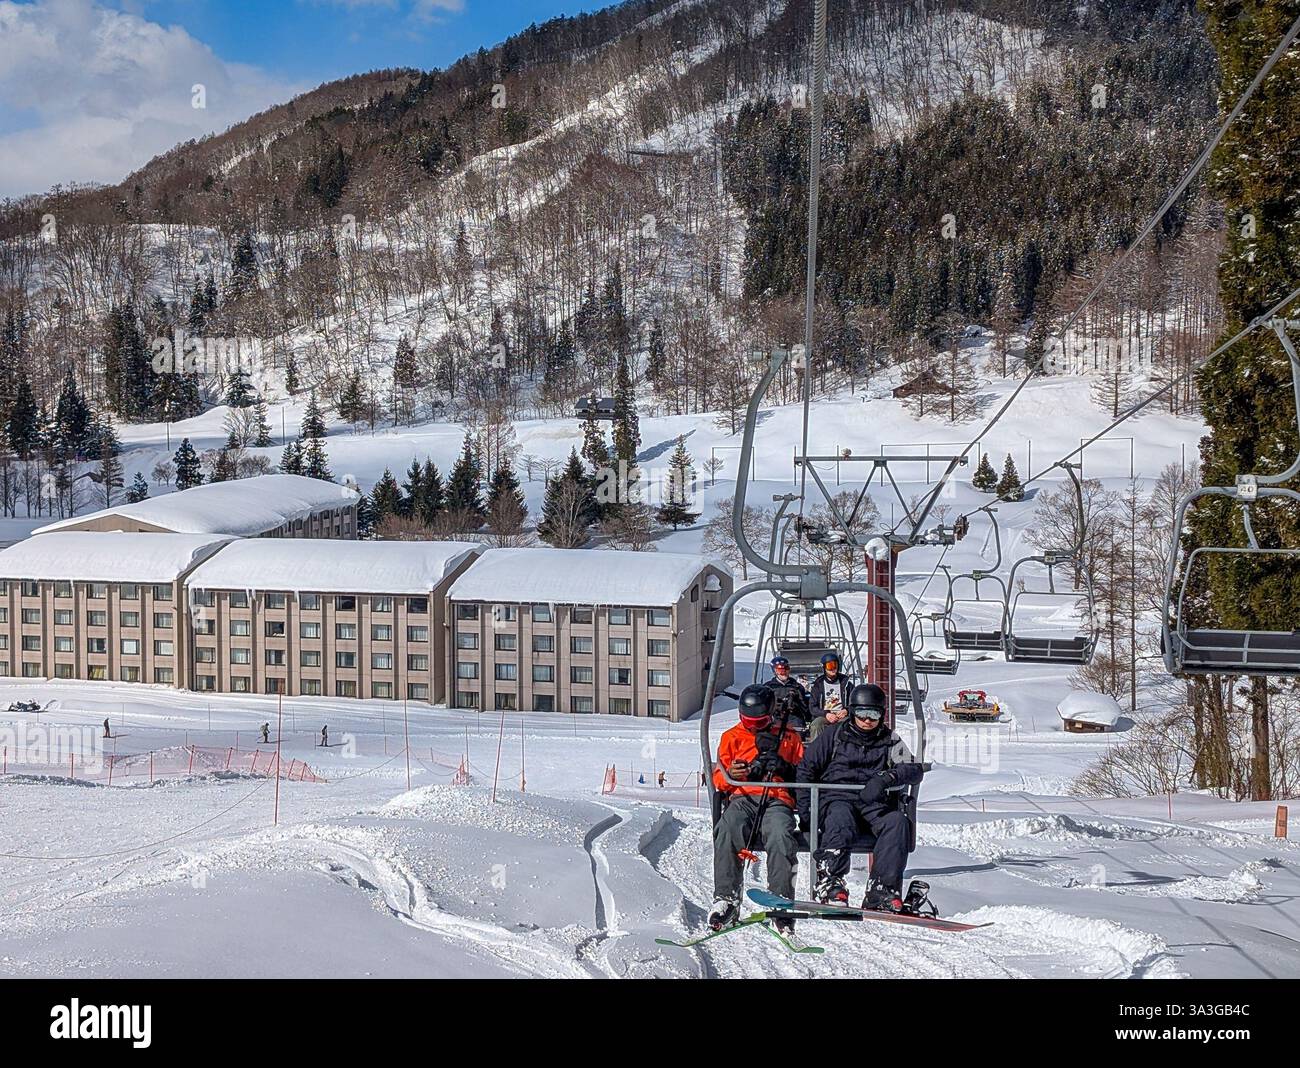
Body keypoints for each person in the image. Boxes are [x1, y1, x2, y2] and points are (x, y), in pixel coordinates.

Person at [796, 682, 925, 911]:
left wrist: (885, 778)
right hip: (837, 799)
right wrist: (808, 814)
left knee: (896, 822)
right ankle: (831, 881)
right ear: (852, 712)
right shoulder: (834, 736)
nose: (867, 720)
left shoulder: (888, 739)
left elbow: (913, 769)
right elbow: (806, 769)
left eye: (873, 714)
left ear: (881, 715)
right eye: (862, 713)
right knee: (840, 818)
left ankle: (882, 889)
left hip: (871, 802)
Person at [710, 684, 804, 933]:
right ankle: (726, 898)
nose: (752, 727)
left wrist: (784, 767)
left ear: (771, 714)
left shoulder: (789, 736)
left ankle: (781, 900)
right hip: (743, 796)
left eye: (759, 722)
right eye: (746, 721)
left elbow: (805, 775)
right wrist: (731, 774)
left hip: (777, 798)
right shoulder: (732, 737)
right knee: (728, 829)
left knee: (781, 834)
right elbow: (718, 779)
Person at [807, 652, 852, 741]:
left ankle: (847, 751)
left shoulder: (846, 683)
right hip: (825, 715)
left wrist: (846, 710)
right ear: (824, 668)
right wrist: (826, 714)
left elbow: (854, 702)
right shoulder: (818, 684)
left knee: (847, 725)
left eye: (835, 665)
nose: (833, 669)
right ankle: (816, 750)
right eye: (829, 666)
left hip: (842, 715)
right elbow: (812, 707)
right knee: (816, 725)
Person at [763, 655, 809, 733]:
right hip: (775, 717)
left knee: (798, 733)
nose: (784, 673)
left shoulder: (796, 686)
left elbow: (804, 707)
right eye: (780, 670)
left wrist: (795, 702)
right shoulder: (768, 687)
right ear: (775, 671)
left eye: (786, 669)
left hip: (794, 717)